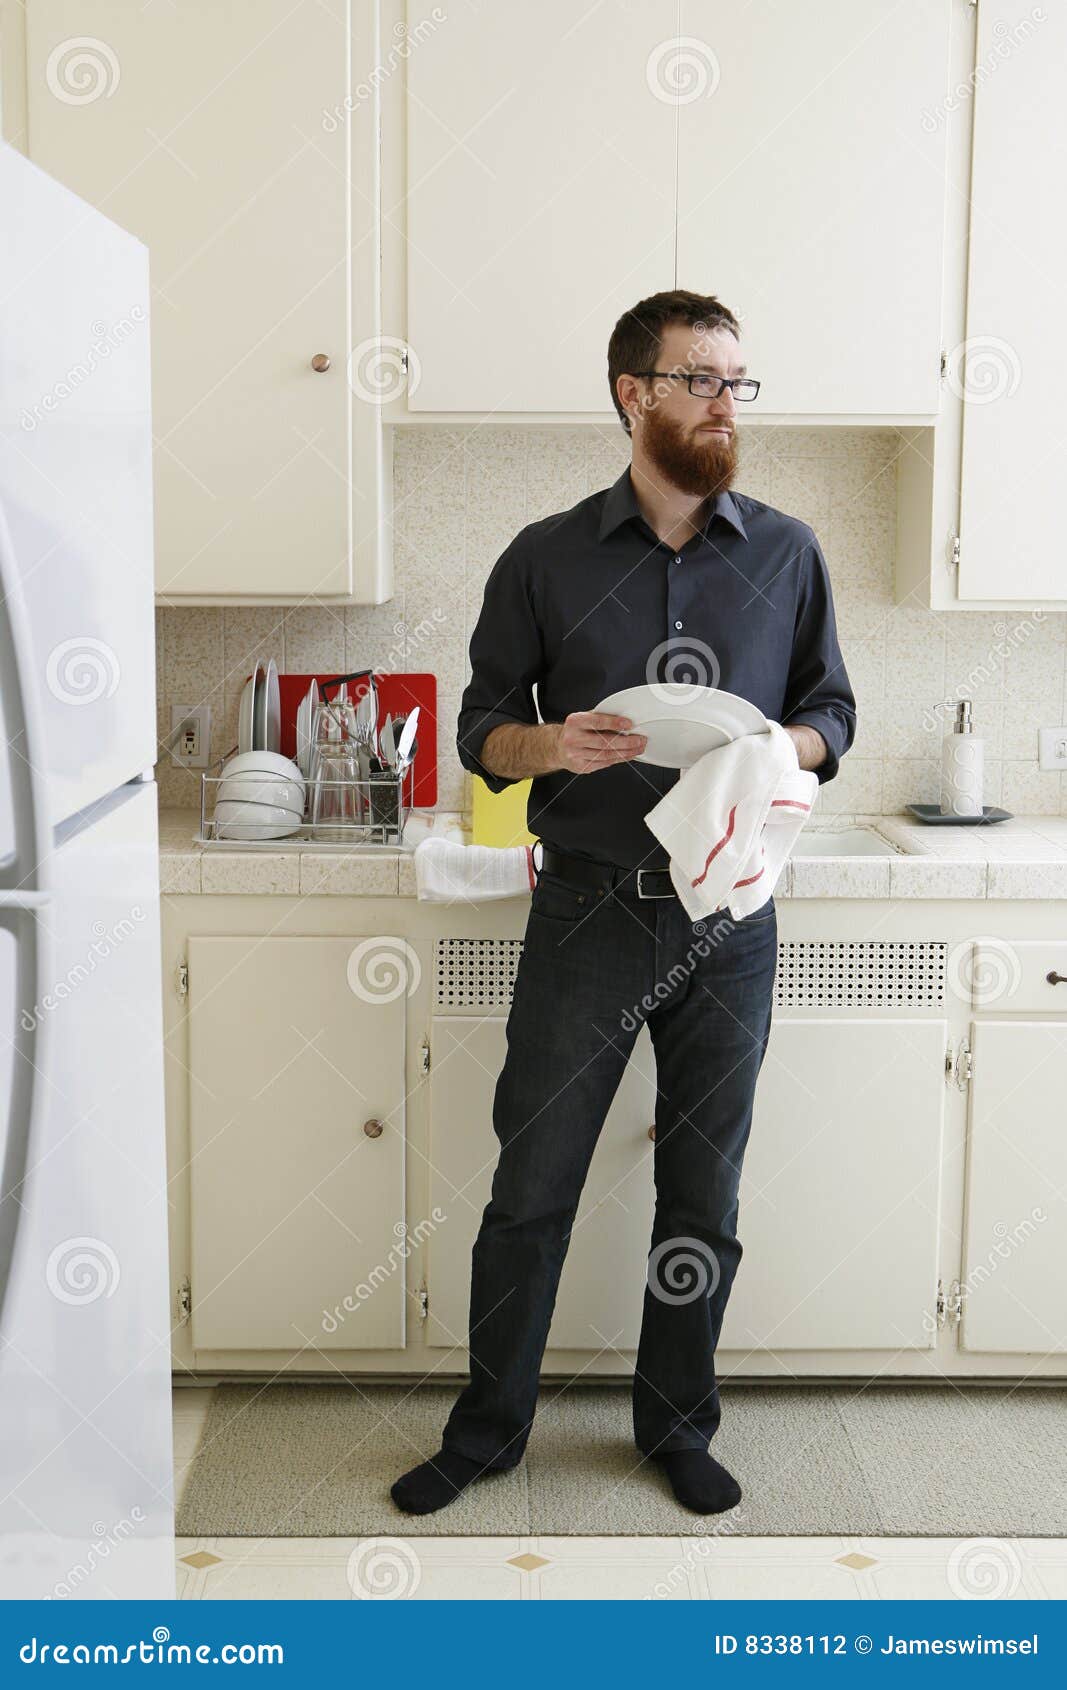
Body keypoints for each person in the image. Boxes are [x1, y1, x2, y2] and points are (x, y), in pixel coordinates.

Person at [391, 289, 856, 1517]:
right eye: (700, 378)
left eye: (737, 382)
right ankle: (487, 1431)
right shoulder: (542, 557)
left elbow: (833, 713)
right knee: (530, 1186)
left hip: (728, 915)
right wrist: (552, 745)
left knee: (702, 1192)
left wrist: (779, 749)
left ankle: (674, 1426)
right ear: (632, 393)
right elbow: (480, 731)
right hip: (587, 910)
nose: (724, 403)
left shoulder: (787, 553)